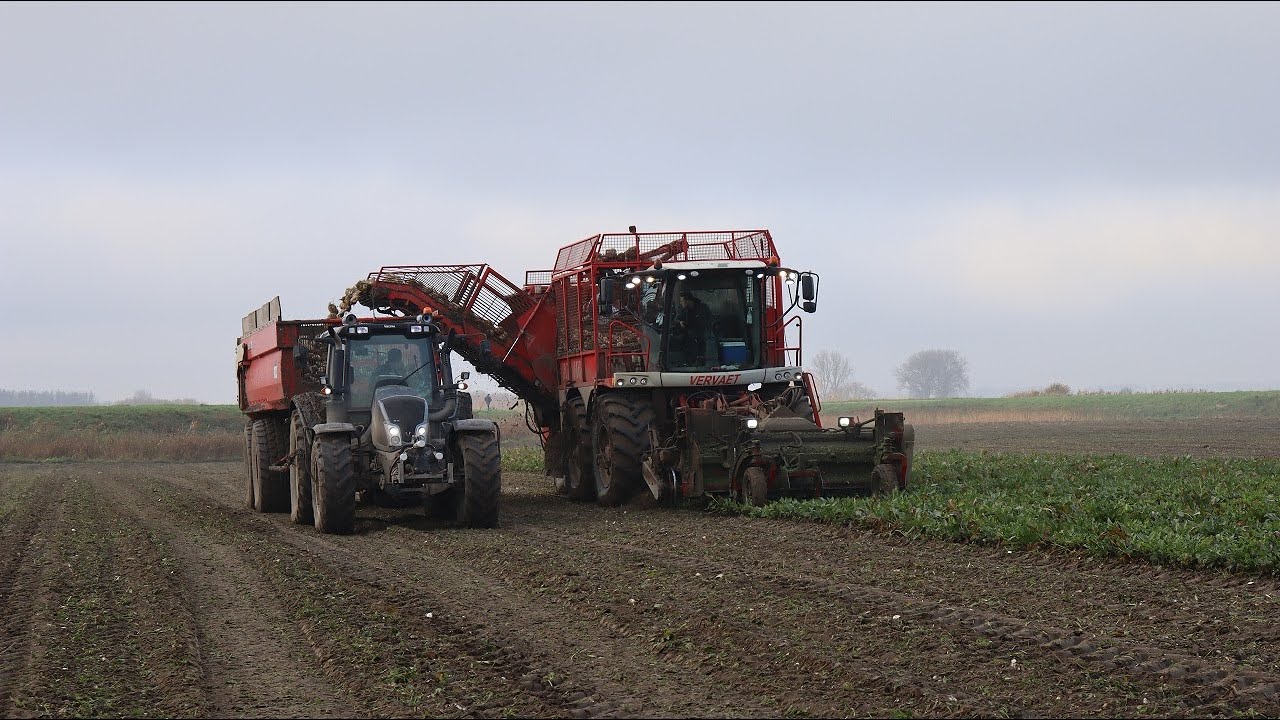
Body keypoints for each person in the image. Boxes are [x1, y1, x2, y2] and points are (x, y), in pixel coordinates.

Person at [674, 291, 710, 364]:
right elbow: (675, 320)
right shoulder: (683, 310)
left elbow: (707, 322)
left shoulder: (702, 308)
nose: (681, 303)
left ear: (687, 301)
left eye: (682, 301)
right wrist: (680, 322)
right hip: (689, 338)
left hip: (703, 337)